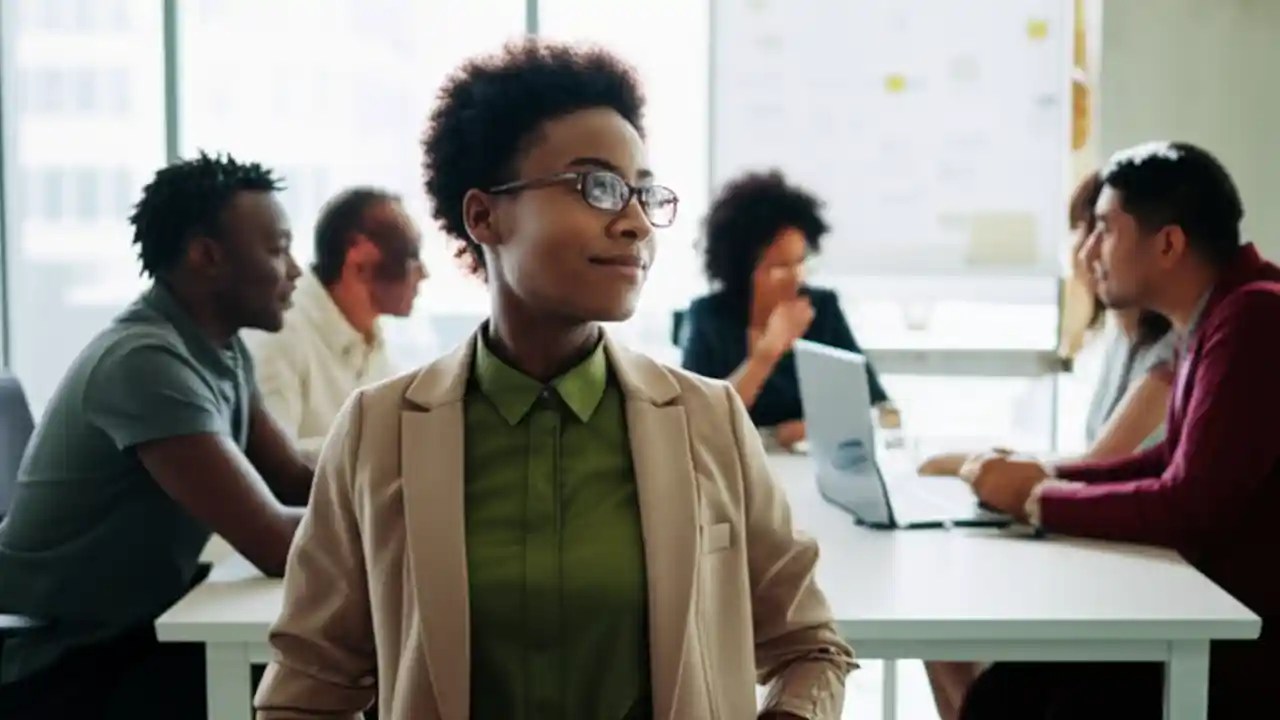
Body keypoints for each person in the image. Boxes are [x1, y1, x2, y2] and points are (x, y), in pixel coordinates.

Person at [255, 40, 856, 720]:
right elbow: (308, 687)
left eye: (642, 193)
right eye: (597, 187)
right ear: (484, 216)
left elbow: (811, 648)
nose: (635, 224)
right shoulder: (379, 430)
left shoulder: (708, 419)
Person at [962, 141, 1280, 719]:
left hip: (1245, 643)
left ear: (1168, 244)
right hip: (1208, 611)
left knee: (1018, 699)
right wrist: (1047, 474)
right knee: (1006, 689)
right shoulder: (1218, 315)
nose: (1090, 251)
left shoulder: (1255, 317)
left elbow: (1189, 504)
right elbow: (1168, 461)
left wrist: (1041, 500)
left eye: (1106, 229)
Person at [0, 152, 314, 719]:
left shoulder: (221, 351)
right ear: (206, 255)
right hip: (62, 665)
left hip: (132, 636)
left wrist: (400, 487)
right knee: (321, 684)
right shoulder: (147, 362)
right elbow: (273, 542)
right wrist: (408, 524)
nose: (294, 270)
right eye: (277, 249)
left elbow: (292, 480)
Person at [918, 170, 1177, 720]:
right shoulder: (1117, 340)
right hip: (1104, 557)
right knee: (938, 628)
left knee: (952, 636)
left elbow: (1097, 463)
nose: (1086, 251)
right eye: (1084, 232)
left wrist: (968, 463)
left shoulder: (1168, 355)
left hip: (1139, 582)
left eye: (1101, 232)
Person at [681, 170, 895, 450]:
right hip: (736, 466)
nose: (796, 278)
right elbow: (700, 422)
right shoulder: (709, 316)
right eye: (780, 267)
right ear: (742, 269)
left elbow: (878, 407)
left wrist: (823, 427)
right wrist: (767, 353)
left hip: (811, 464)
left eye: (800, 262)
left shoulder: (821, 309)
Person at [244, 187, 427, 462]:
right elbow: (274, 465)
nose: (424, 273)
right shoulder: (279, 335)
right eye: (411, 256)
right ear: (360, 257)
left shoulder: (372, 343)